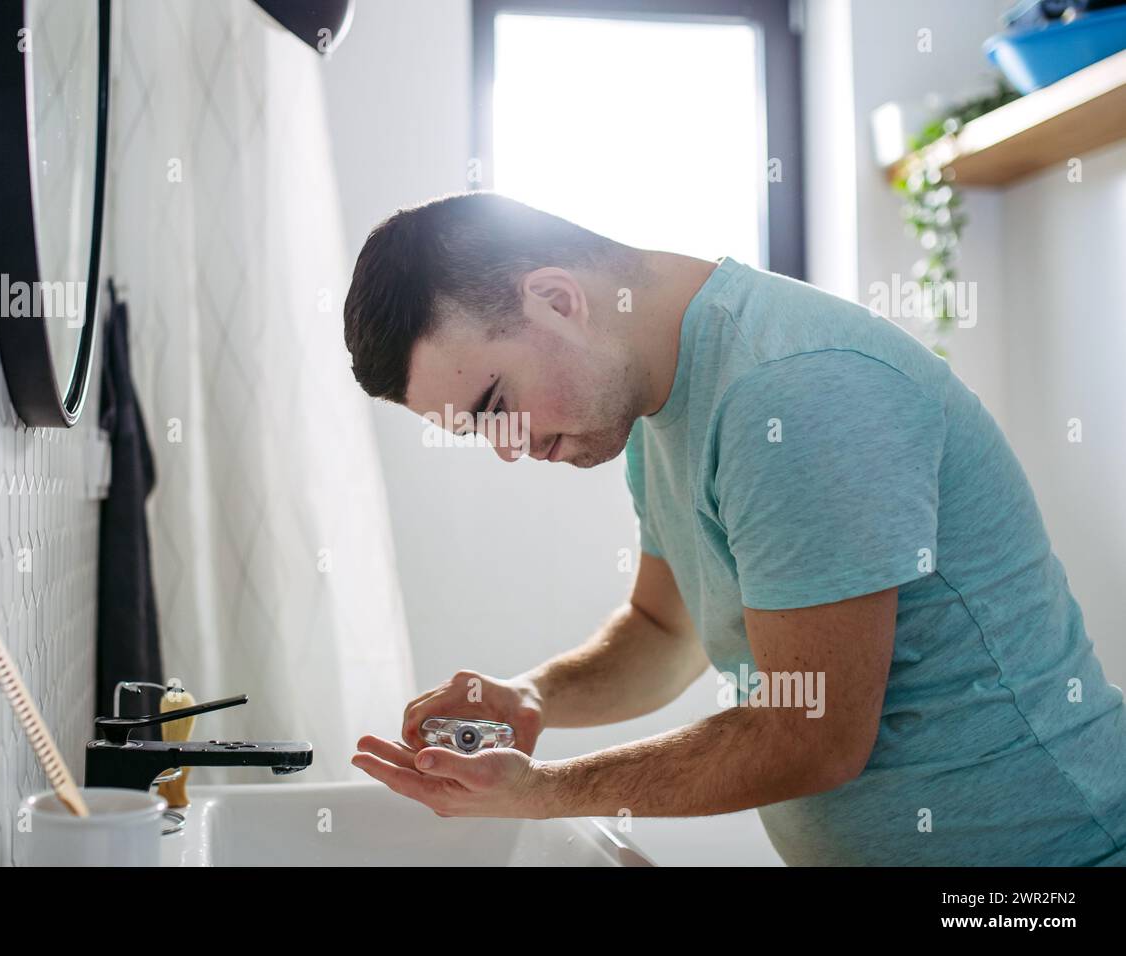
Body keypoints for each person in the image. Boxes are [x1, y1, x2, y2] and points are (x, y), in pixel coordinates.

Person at [342, 190, 1126, 865]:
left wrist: (542, 793)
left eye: (494, 407)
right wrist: (530, 695)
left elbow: (809, 734)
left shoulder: (791, 391)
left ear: (556, 299)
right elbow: (662, 632)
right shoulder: (657, 405)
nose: (508, 449)